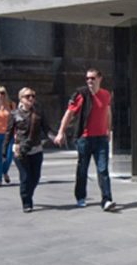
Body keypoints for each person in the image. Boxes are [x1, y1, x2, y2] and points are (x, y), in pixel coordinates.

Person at [54, 67, 119, 211]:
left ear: (100, 79)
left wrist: (109, 130)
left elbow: (107, 113)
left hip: (101, 138)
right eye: (87, 78)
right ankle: (80, 196)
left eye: (93, 78)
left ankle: (107, 200)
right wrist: (60, 132)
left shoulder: (106, 94)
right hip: (85, 139)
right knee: (82, 169)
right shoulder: (81, 95)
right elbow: (69, 114)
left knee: (103, 170)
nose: (89, 81)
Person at [10, 87, 58, 211]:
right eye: (27, 96)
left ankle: (27, 194)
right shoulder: (14, 114)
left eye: (33, 96)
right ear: (21, 99)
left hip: (36, 148)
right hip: (21, 150)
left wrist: (54, 138)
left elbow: (46, 128)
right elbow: (8, 133)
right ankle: (26, 202)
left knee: (36, 177)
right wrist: (4, 152)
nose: (31, 98)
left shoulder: (38, 113)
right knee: (25, 176)